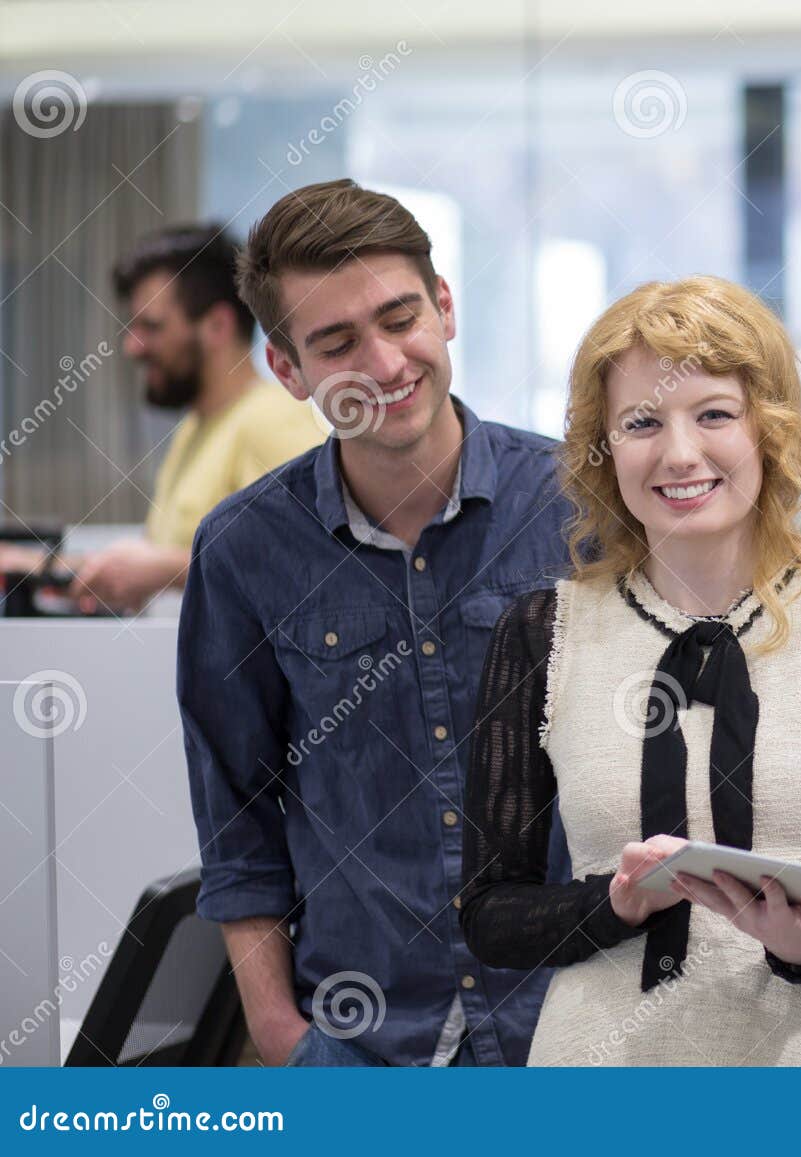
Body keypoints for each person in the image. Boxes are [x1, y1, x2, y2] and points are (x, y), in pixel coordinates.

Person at [460, 276, 801, 1066]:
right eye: (642, 422)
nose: (679, 452)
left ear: (770, 428)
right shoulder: (540, 631)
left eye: (715, 414)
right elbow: (490, 909)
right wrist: (615, 904)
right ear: (606, 447)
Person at [179, 180, 570, 1067]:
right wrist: (284, 1038)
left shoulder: (578, 507)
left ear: (444, 307)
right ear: (288, 370)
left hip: (572, 1030)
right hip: (362, 1052)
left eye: (400, 319)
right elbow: (236, 821)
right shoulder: (243, 549)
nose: (387, 364)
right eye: (337, 342)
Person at [0, 226, 325, 611]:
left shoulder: (270, 420)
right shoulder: (197, 426)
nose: (131, 346)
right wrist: (38, 565)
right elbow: (161, 562)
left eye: (151, 327)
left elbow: (314, 562)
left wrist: (166, 570)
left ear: (217, 326)